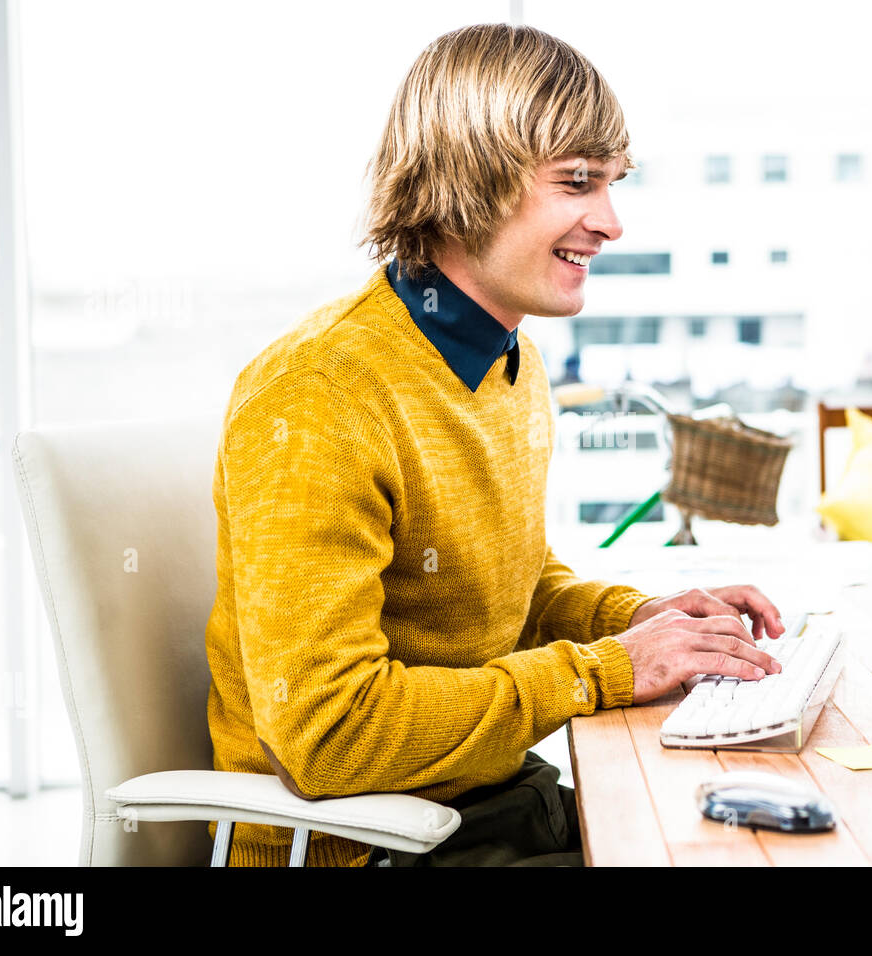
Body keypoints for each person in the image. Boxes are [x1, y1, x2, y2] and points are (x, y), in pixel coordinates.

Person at [203, 21, 785, 867]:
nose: (612, 222)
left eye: (614, 184)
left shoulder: (511, 361)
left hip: (485, 813)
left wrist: (648, 625)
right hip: (367, 847)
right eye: (578, 183)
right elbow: (328, 736)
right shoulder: (319, 392)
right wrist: (606, 671)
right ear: (469, 178)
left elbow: (503, 598)